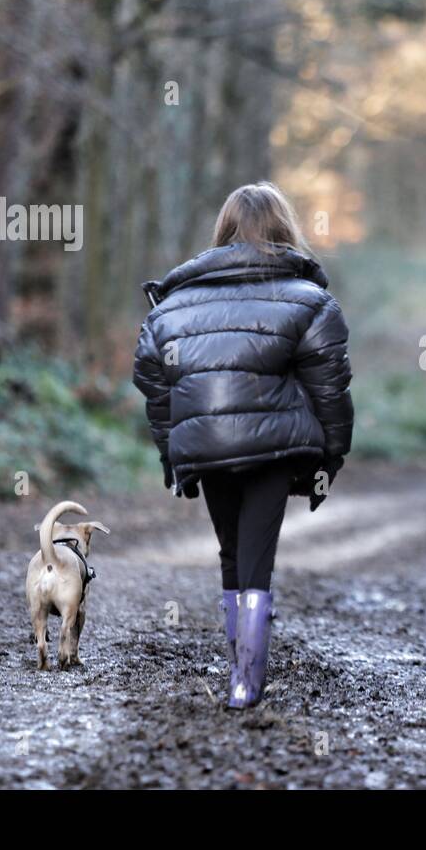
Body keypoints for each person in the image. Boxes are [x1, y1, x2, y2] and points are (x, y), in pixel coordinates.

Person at [133, 182, 353, 709]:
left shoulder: (172, 307)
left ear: (224, 229)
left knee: (231, 549)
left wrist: (172, 454)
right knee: (256, 554)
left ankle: (240, 670)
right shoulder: (309, 301)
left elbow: (155, 385)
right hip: (274, 449)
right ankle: (245, 681)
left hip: (205, 446)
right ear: (284, 229)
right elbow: (330, 388)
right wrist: (332, 457)